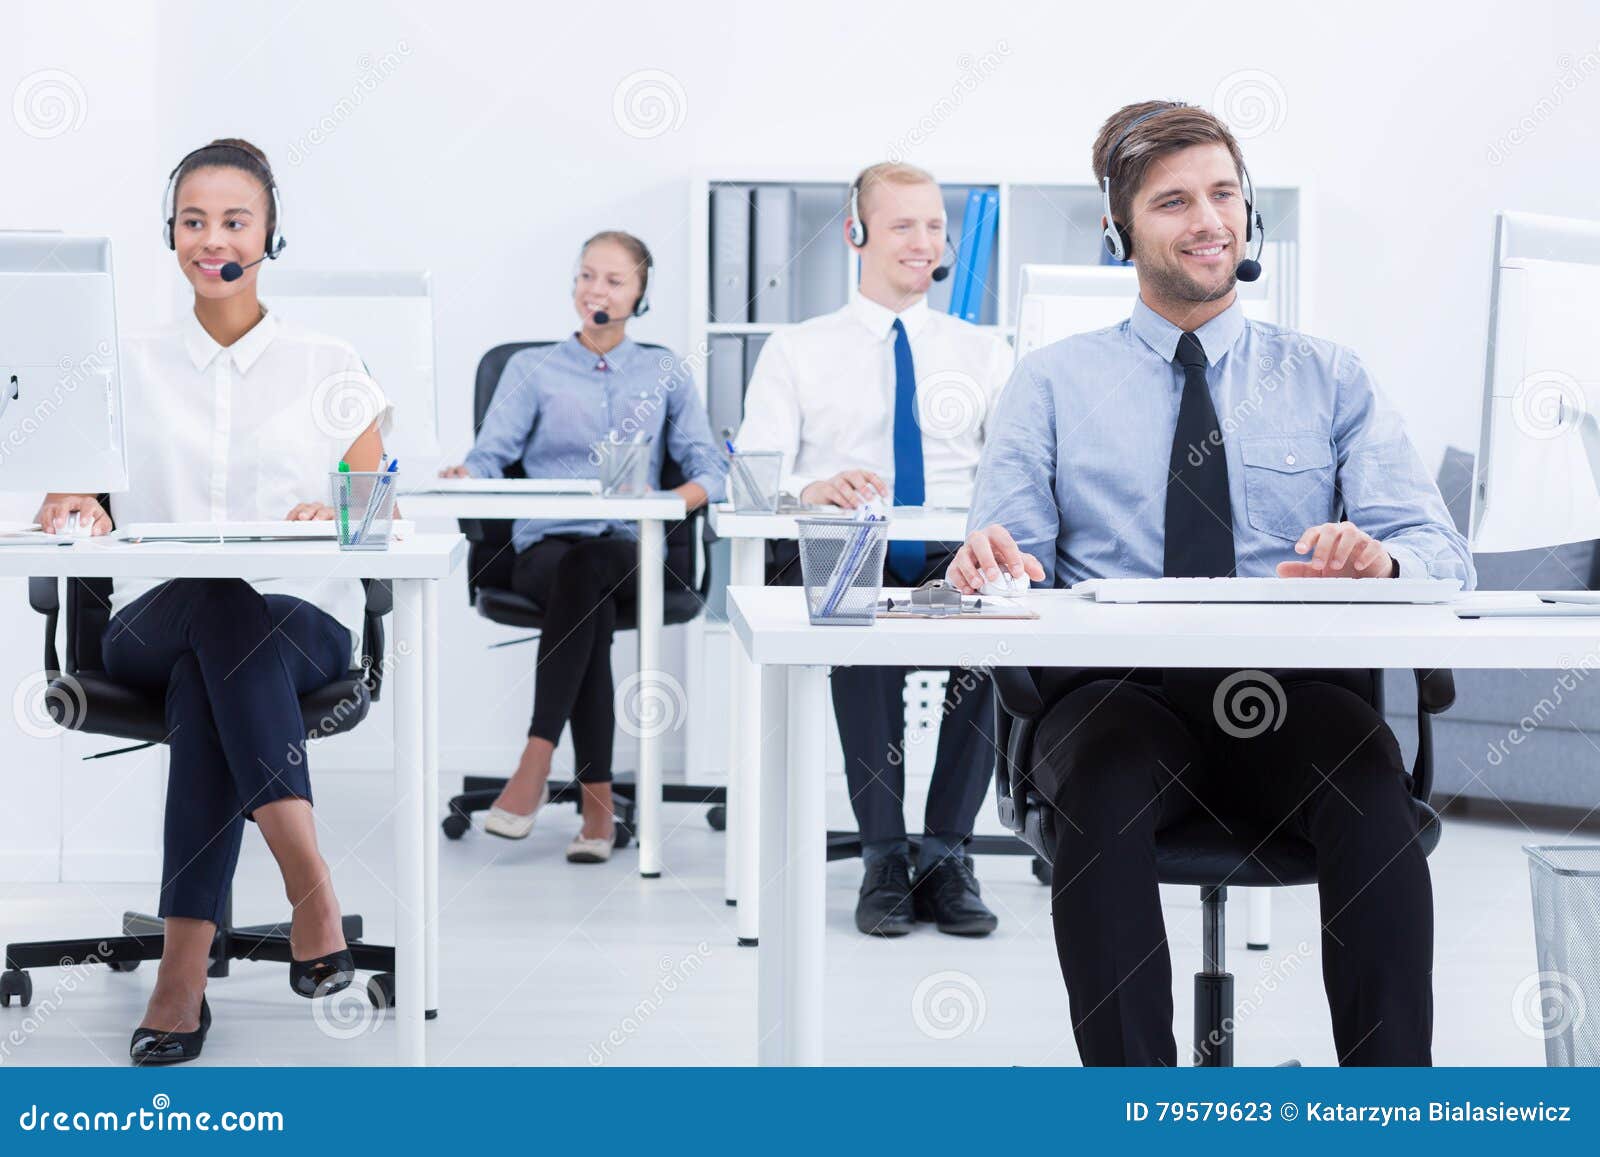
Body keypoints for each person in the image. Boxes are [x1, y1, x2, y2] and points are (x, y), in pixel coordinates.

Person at [948, 101, 1476, 1065]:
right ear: (1121, 231)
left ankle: (1397, 1105)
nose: (1209, 221)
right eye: (1174, 201)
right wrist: (993, 565)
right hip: (1118, 698)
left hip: (1290, 695)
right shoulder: (1051, 383)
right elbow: (1009, 552)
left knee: (1366, 778)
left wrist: (1385, 559)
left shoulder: (1329, 378)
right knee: (1104, 774)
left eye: (1225, 194)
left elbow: (1441, 552)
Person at [35, 139, 392, 1065]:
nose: (212, 239)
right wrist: (70, 502)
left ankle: (179, 977)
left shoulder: (329, 360)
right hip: (152, 621)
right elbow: (68, 500)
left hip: (297, 625)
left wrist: (339, 511)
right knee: (211, 606)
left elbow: (380, 505)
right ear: (171, 234)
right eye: (193, 221)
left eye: (234, 220)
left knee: (217, 668)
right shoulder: (123, 367)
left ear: (271, 233)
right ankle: (308, 881)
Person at [736, 162, 1014, 937]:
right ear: (856, 234)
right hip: (846, 543)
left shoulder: (986, 350)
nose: (924, 242)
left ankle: (947, 850)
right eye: (903, 225)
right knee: (849, 613)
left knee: (1000, 621)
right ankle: (884, 854)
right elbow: (754, 479)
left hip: (947, 544)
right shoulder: (796, 348)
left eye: (934, 226)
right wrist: (811, 488)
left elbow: (1018, 473)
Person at [440, 231, 726, 862]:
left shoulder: (663, 372)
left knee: (590, 571)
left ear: (640, 294)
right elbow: (491, 458)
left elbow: (711, 463)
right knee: (579, 581)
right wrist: (468, 476)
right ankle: (597, 809)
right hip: (545, 545)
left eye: (614, 280)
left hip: (630, 546)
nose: (596, 290)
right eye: (586, 276)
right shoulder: (531, 368)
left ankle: (536, 762)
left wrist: (675, 500)